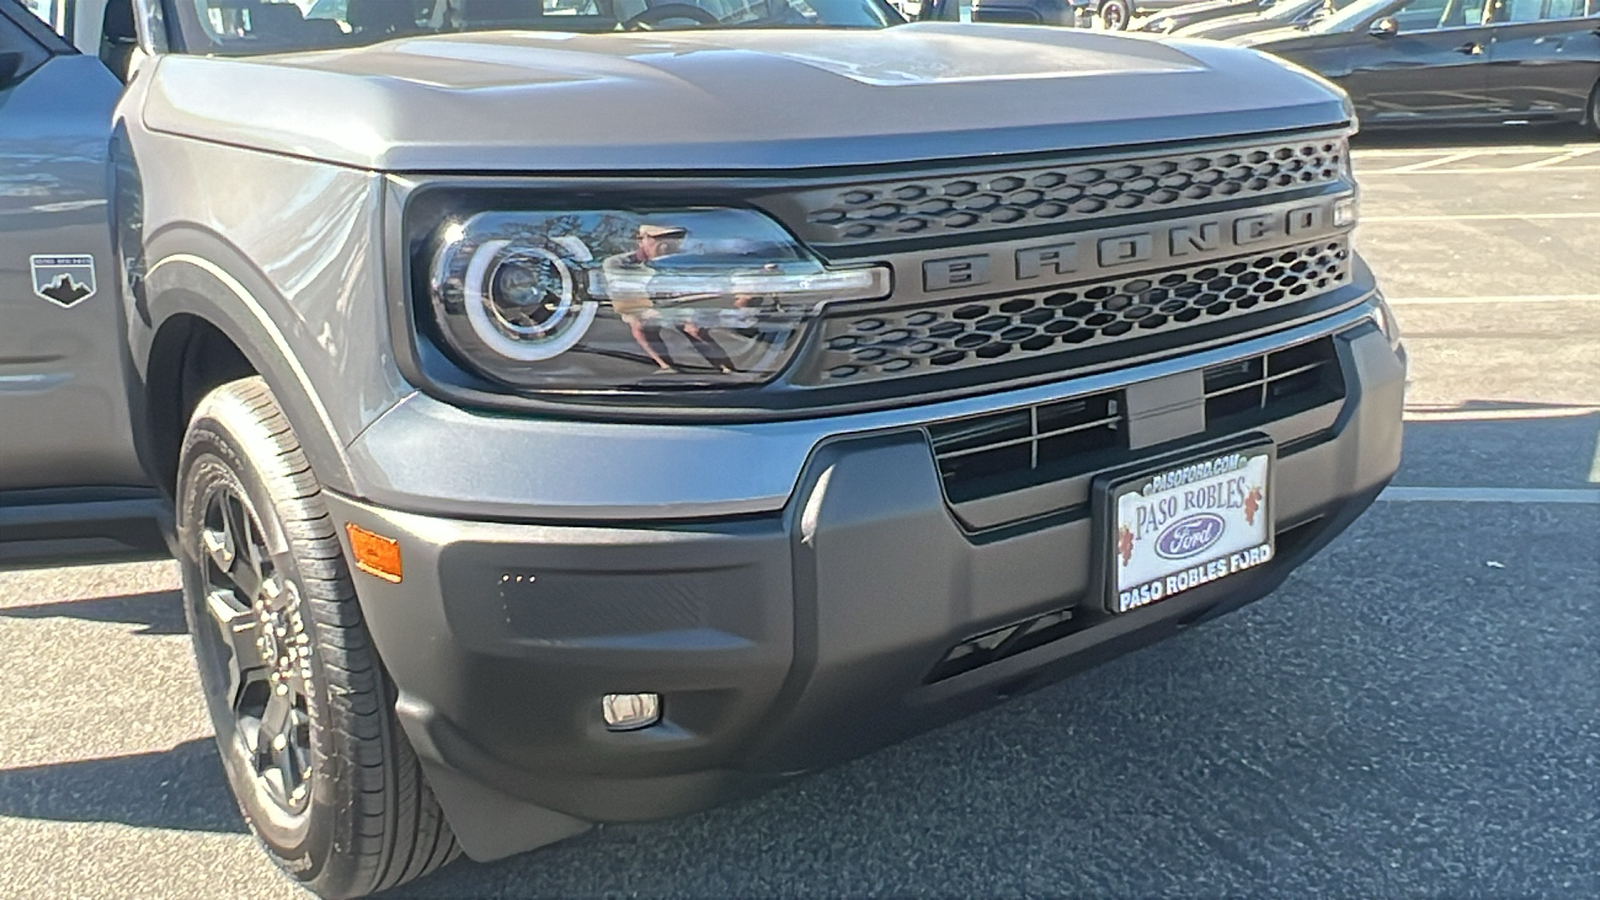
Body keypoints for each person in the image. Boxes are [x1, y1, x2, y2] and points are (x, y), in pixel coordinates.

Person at [602, 223, 737, 374]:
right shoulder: (619, 263)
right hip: (643, 304)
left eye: (676, 238)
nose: (667, 244)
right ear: (642, 240)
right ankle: (667, 367)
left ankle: (727, 368)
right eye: (659, 239)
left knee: (694, 328)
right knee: (640, 326)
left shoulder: (684, 259)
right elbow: (625, 294)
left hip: (678, 302)